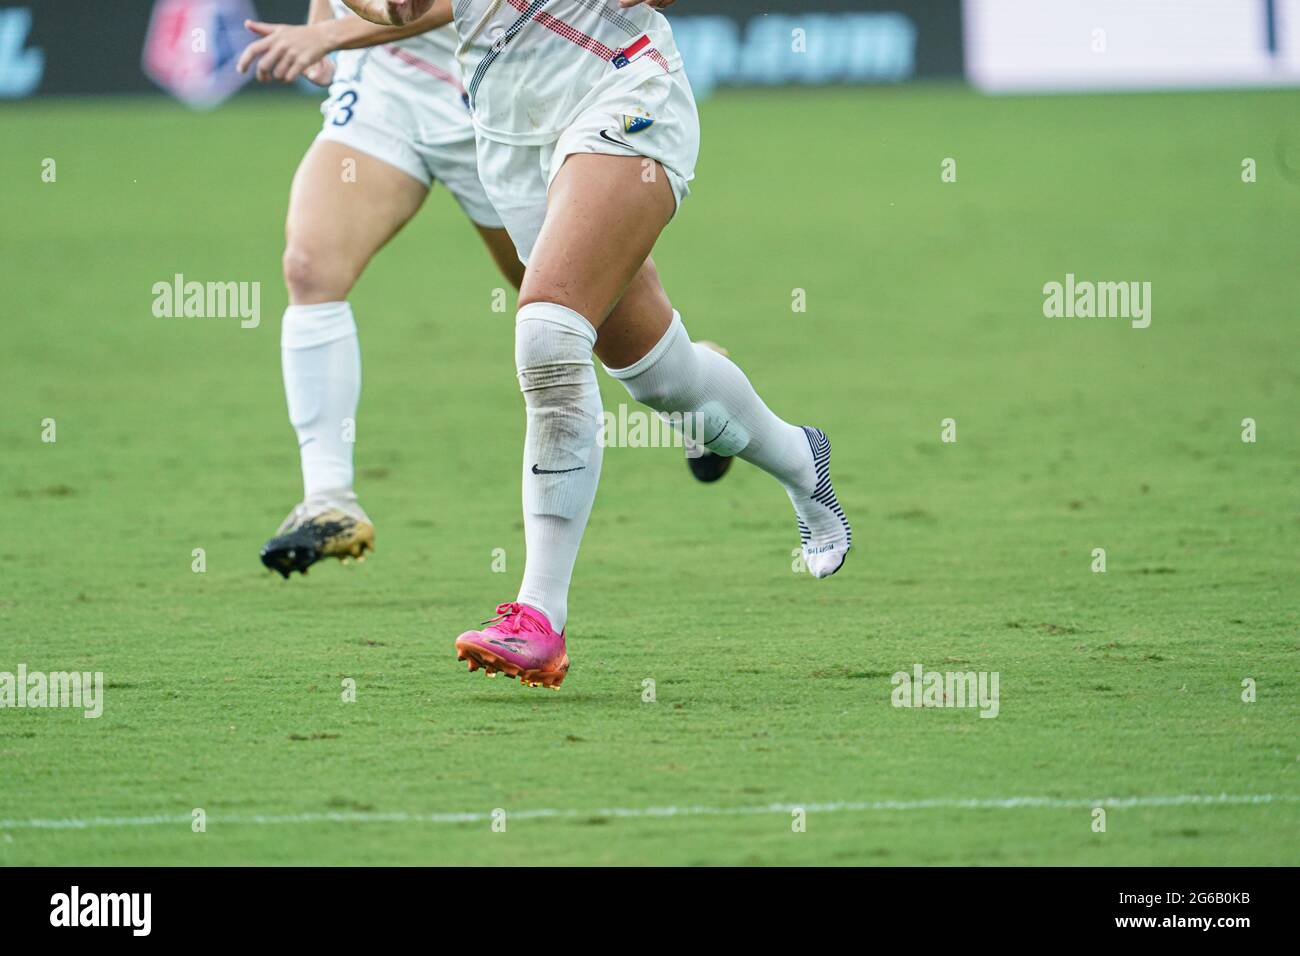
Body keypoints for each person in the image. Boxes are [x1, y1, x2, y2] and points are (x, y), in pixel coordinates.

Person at [345, 0, 851, 689]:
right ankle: (801, 458)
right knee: (659, 376)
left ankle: (538, 616)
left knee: (549, 335)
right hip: (507, 124)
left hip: (617, 83)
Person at [237, 0, 525, 577]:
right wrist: (321, 27)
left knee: (580, 308)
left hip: (490, 91)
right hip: (385, 91)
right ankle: (330, 502)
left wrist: (332, 37)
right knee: (310, 267)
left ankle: (694, 390)